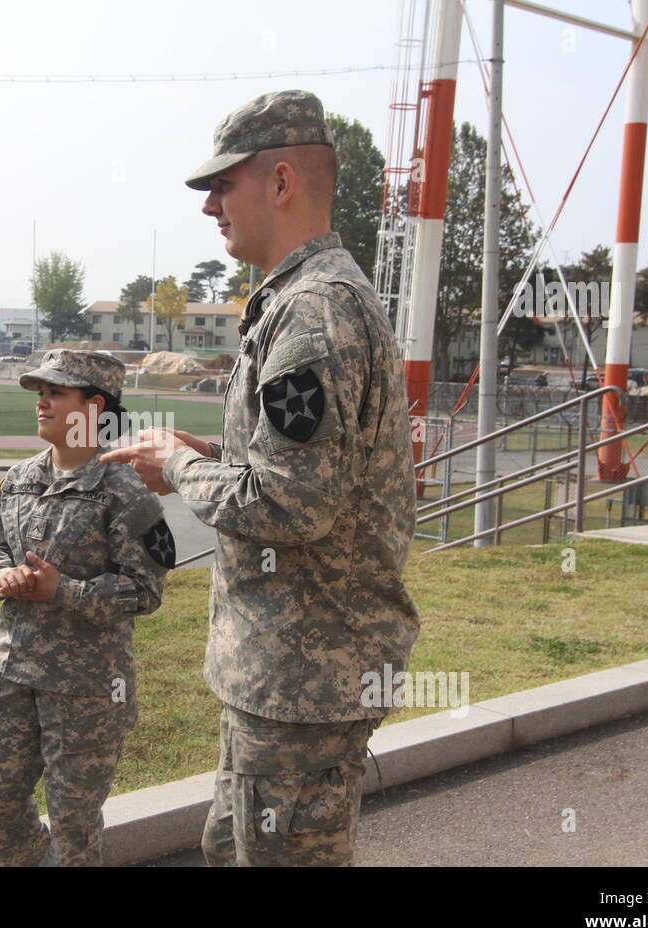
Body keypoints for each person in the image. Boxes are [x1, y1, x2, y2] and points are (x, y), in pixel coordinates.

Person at [102, 90, 421, 866]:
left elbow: (290, 501)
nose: (210, 205)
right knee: (229, 850)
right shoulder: (303, 299)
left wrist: (174, 465)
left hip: (303, 679)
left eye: (223, 184)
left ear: (280, 183)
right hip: (285, 673)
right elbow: (300, 470)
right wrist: (208, 456)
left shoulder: (312, 313)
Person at [0, 349, 175, 866]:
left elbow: (145, 592)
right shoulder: (18, 479)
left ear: (94, 406)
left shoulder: (124, 491)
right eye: (40, 394)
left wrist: (67, 591)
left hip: (86, 685)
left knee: (74, 823)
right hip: (9, 668)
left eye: (56, 393)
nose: (42, 404)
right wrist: (0, 574)